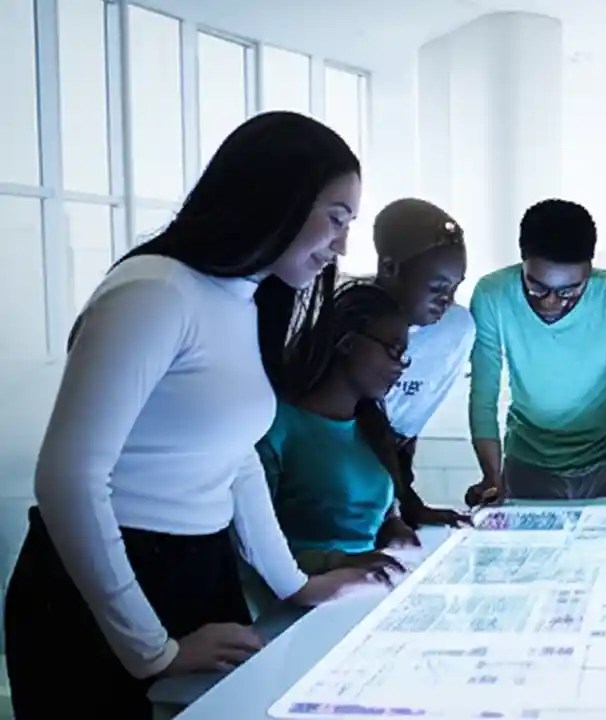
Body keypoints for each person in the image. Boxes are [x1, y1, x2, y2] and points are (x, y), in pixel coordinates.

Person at [3, 112, 374, 718]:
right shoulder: (156, 290)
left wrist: (294, 585)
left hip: (200, 568)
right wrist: (152, 650)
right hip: (105, 579)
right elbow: (68, 480)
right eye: (336, 220)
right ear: (277, 196)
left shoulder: (244, 297)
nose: (341, 246)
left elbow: (235, 461)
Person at [258, 281, 469, 579]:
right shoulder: (276, 426)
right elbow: (249, 548)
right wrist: (337, 563)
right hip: (298, 604)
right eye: (394, 351)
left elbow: (381, 519)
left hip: (365, 592)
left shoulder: (372, 428)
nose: (401, 366)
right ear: (347, 342)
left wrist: (398, 535)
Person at [465, 199, 606, 503]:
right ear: (522, 263)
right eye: (537, 288)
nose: (551, 302)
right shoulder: (493, 294)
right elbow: (483, 395)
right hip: (527, 462)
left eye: (569, 291)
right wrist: (491, 476)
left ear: (590, 271)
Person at [371, 199, 473, 527]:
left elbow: (406, 430)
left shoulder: (455, 329)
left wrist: (408, 501)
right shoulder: (347, 320)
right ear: (389, 269)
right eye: (438, 287)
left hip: (392, 483)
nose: (447, 299)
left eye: (455, 287)